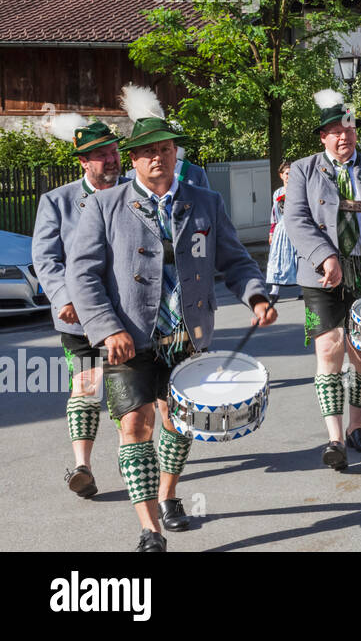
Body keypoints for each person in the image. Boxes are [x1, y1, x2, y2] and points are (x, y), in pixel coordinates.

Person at [67, 86, 274, 551]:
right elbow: (82, 275)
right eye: (147, 152)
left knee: (178, 423)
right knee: (135, 426)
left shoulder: (205, 202)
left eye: (165, 148)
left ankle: (168, 495)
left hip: (189, 335)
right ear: (134, 159)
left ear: (175, 152)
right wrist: (106, 328)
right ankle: (149, 528)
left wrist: (256, 295)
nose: (158, 157)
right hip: (128, 338)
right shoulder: (105, 206)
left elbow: (236, 260)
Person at [284, 89, 361, 469]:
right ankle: (334, 438)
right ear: (323, 136)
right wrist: (325, 256)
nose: (343, 136)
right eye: (335, 130)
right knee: (329, 348)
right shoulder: (303, 169)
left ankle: (356, 425)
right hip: (320, 276)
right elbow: (296, 221)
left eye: (348, 129)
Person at [32, 114, 128, 499]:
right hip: (78, 317)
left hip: (127, 314)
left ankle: (131, 454)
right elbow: (46, 258)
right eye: (102, 156)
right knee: (86, 387)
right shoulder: (57, 202)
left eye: (114, 152)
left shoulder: (134, 193)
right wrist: (64, 297)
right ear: (83, 162)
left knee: (126, 390)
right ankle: (83, 467)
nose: (111, 160)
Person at [266, 160, 299, 300]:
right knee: (276, 258)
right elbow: (274, 213)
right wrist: (272, 232)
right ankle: (275, 290)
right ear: (281, 175)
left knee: (297, 258)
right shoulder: (277, 193)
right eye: (286, 173)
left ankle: (302, 289)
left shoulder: (299, 190)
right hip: (281, 228)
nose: (288, 176)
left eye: (291, 174)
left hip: (295, 227)